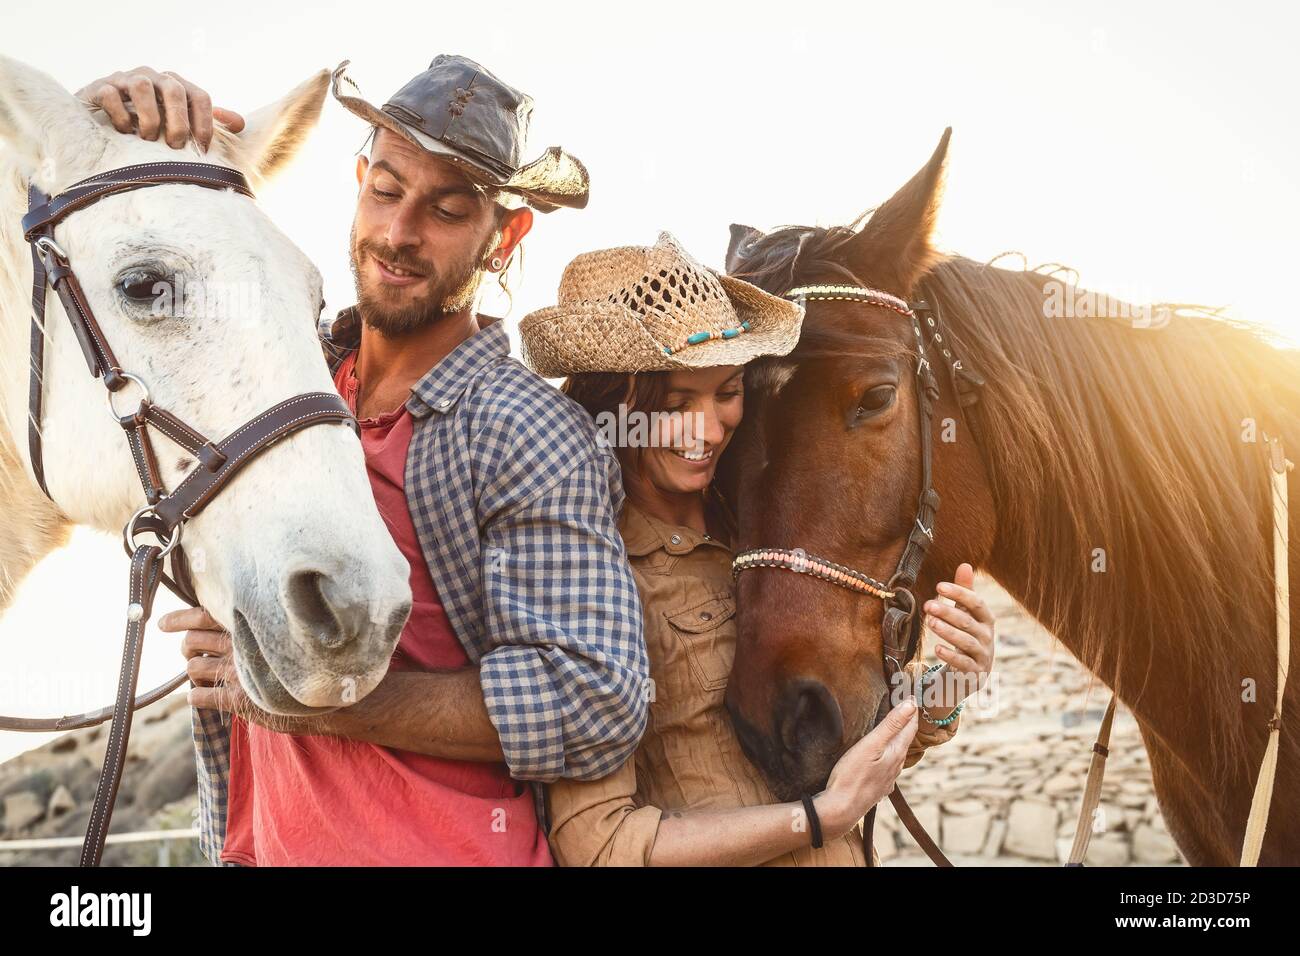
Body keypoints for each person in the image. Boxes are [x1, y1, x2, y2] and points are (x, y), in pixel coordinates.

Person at [78, 56, 648, 866]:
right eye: (385, 190)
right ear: (357, 178)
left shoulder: (527, 428)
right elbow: (118, 300)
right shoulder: (284, 382)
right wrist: (101, 124)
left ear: (505, 235)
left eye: (448, 210)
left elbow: (596, 700)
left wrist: (314, 700)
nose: (399, 233)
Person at [521, 233, 997, 865]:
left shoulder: (760, 536)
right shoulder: (591, 575)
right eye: (677, 404)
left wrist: (944, 687)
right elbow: (600, 843)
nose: (710, 428)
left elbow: (824, 741)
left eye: (725, 392)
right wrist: (820, 818)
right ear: (617, 406)